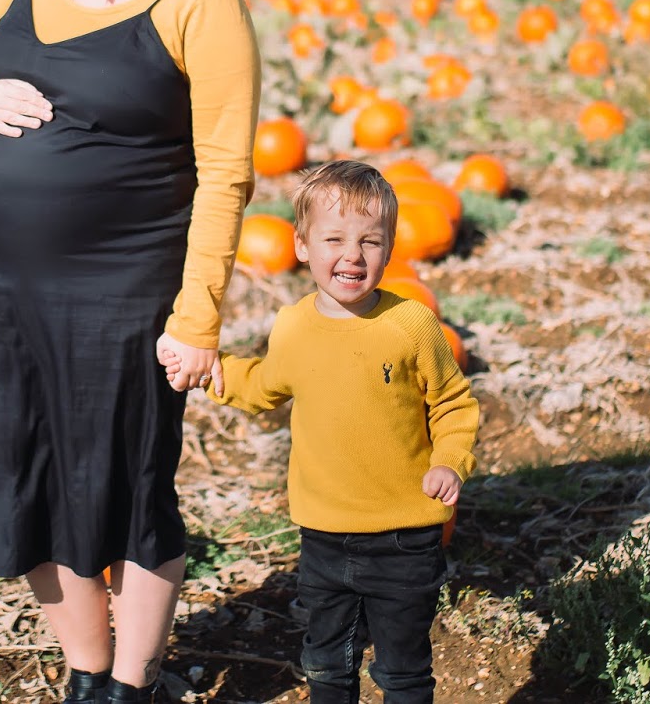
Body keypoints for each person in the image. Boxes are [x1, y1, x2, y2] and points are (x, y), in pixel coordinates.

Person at [0, 0, 260, 704]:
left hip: (128, 290)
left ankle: (131, 685)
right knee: (23, 478)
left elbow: (227, 170)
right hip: (10, 287)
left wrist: (197, 318)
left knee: (124, 491)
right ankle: (85, 673)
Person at [162, 160, 479, 703]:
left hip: (404, 535)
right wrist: (212, 372)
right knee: (328, 664)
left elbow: (453, 403)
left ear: (390, 246)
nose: (352, 255)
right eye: (333, 238)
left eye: (370, 241)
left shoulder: (412, 325)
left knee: (403, 671)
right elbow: (265, 384)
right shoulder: (294, 326)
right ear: (302, 245)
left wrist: (450, 461)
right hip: (323, 534)